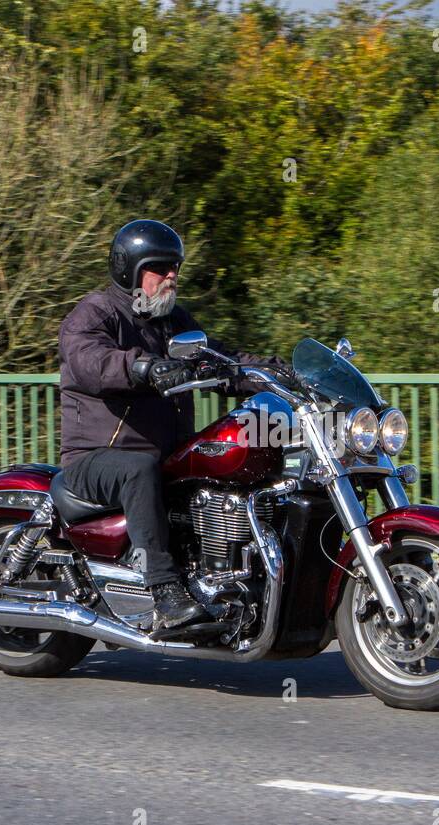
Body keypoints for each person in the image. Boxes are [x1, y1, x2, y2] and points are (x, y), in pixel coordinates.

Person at [57, 219, 276, 631]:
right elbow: (90, 360)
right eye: (161, 267)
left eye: (175, 266)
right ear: (131, 270)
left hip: (165, 456)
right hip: (97, 460)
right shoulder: (95, 314)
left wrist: (285, 374)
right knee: (138, 468)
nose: (172, 275)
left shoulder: (175, 322)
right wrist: (142, 366)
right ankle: (164, 593)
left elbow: (225, 360)